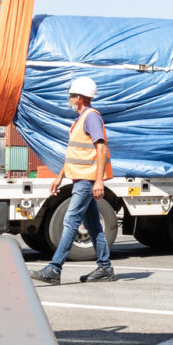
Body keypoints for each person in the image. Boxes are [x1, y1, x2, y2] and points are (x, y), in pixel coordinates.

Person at [32, 77, 115, 284]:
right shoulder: (80, 120)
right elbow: (74, 154)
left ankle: (54, 269)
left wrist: (99, 182)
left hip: (87, 181)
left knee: (70, 222)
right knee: (94, 226)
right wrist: (59, 178)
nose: (69, 99)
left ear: (79, 98)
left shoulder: (91, 117)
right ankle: (105, 268)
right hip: (80, 179)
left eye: (71, 95)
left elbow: (101, 148)